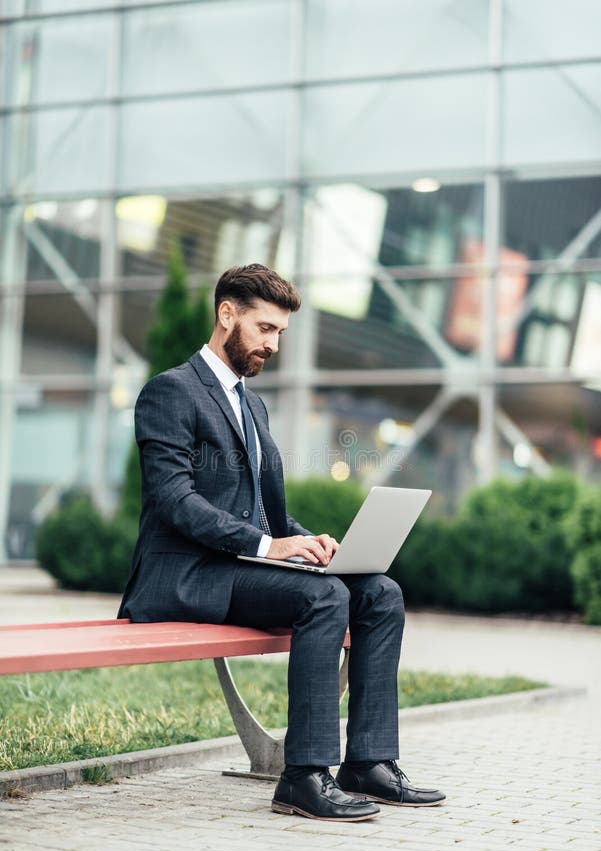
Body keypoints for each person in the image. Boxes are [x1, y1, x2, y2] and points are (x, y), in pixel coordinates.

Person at [118, 263, 445, 821]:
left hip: (237, 566)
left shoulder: (253, 404)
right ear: (228, 315)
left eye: (280, 334)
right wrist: (269, 547)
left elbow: (267, 512)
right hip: (186, 575)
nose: (273, 344)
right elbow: (175, 502)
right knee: (323, 598)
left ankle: (369, 763)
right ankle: (303, 777)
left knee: (381, 592)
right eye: (265, 328)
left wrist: (303, 539)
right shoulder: (170, 392)